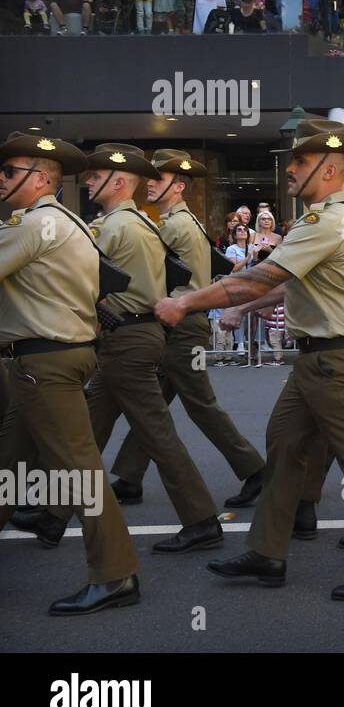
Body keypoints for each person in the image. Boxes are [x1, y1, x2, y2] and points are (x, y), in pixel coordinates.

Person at [159, 116, 344, 600]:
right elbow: (290, 284)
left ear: (330, 169)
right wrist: (236, 305)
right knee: (284, 445)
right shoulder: (335, 218)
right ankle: (267, 552)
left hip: (335, 359)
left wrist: (185, 302)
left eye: (300, 161)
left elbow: (262, 276)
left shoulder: (328, 222)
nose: (290, 170)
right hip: (322, 357)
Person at [16, 144, 223, 552]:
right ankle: (54, 515)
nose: (88, 181)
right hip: (137, 335)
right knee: (85, 432)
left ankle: (201, 520)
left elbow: (74, 281)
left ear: (120, 181)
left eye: (96, 176)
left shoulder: (112, 227)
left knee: (155, 434)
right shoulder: (142, 223)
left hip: (126, 338)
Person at [0, 132, 141, 615]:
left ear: (41, 179)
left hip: (45, 360)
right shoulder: (72, 222)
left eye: (9, 172)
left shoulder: (32, 223)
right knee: (10, 466)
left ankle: (116, 575)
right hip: (59, 355)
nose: (0, 179)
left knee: (82, 473)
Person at [108, 150, 266, 510]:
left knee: (200, 405)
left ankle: (254, 469)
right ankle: (130, 477)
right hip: (181, 324)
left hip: (182, 326)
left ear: (178, 187)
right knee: (151, 405)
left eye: (158, 179)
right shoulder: (182, 221)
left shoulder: (173, 225)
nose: (149, 183)